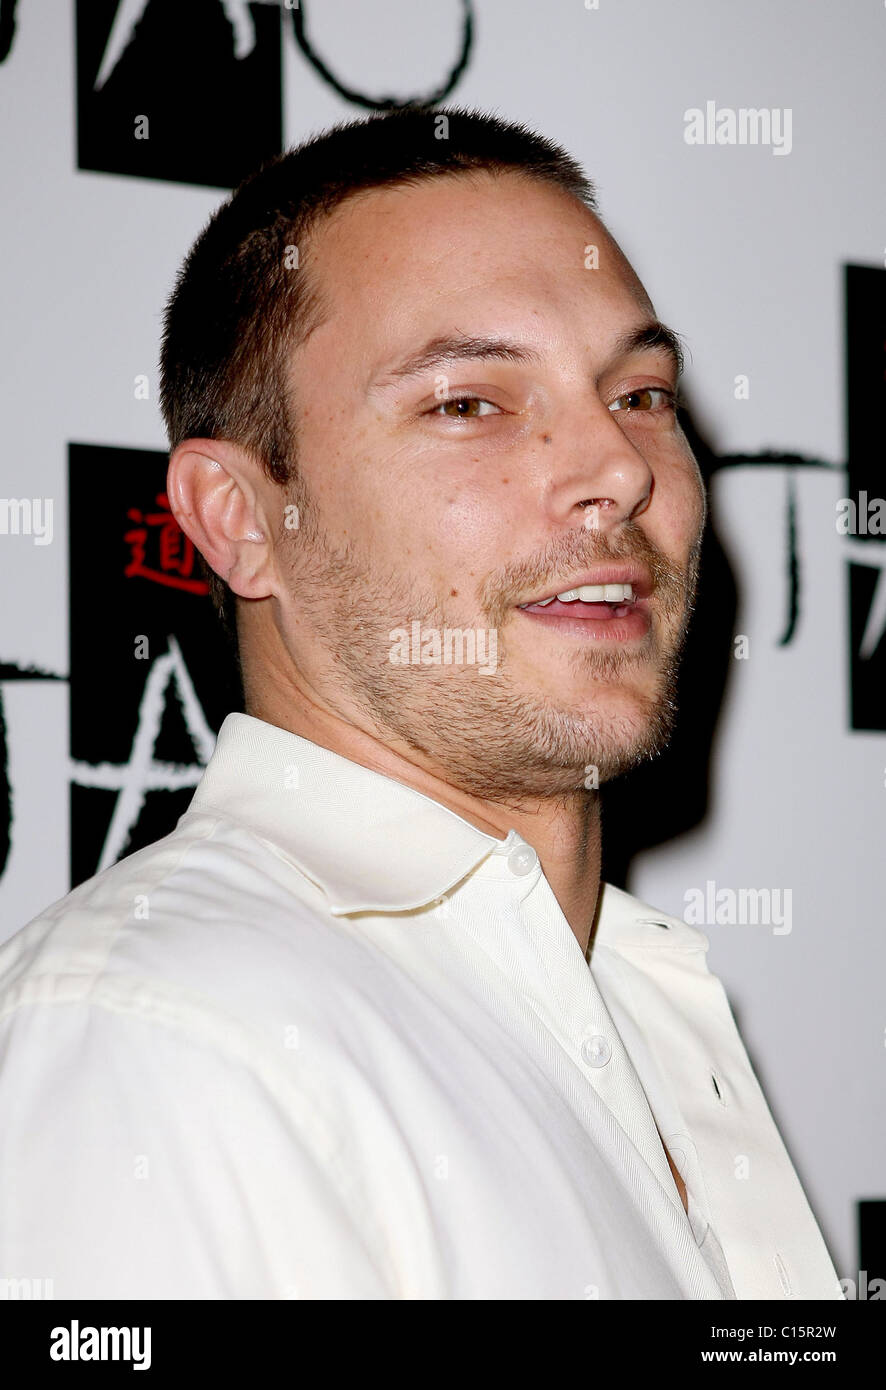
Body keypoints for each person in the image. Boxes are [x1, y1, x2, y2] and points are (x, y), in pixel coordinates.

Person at [0, 106, 842, 1300]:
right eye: (469, 403)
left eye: (641, 393)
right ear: (242, 520)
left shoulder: (644, 1004)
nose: (618, 465)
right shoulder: (157, 1032)